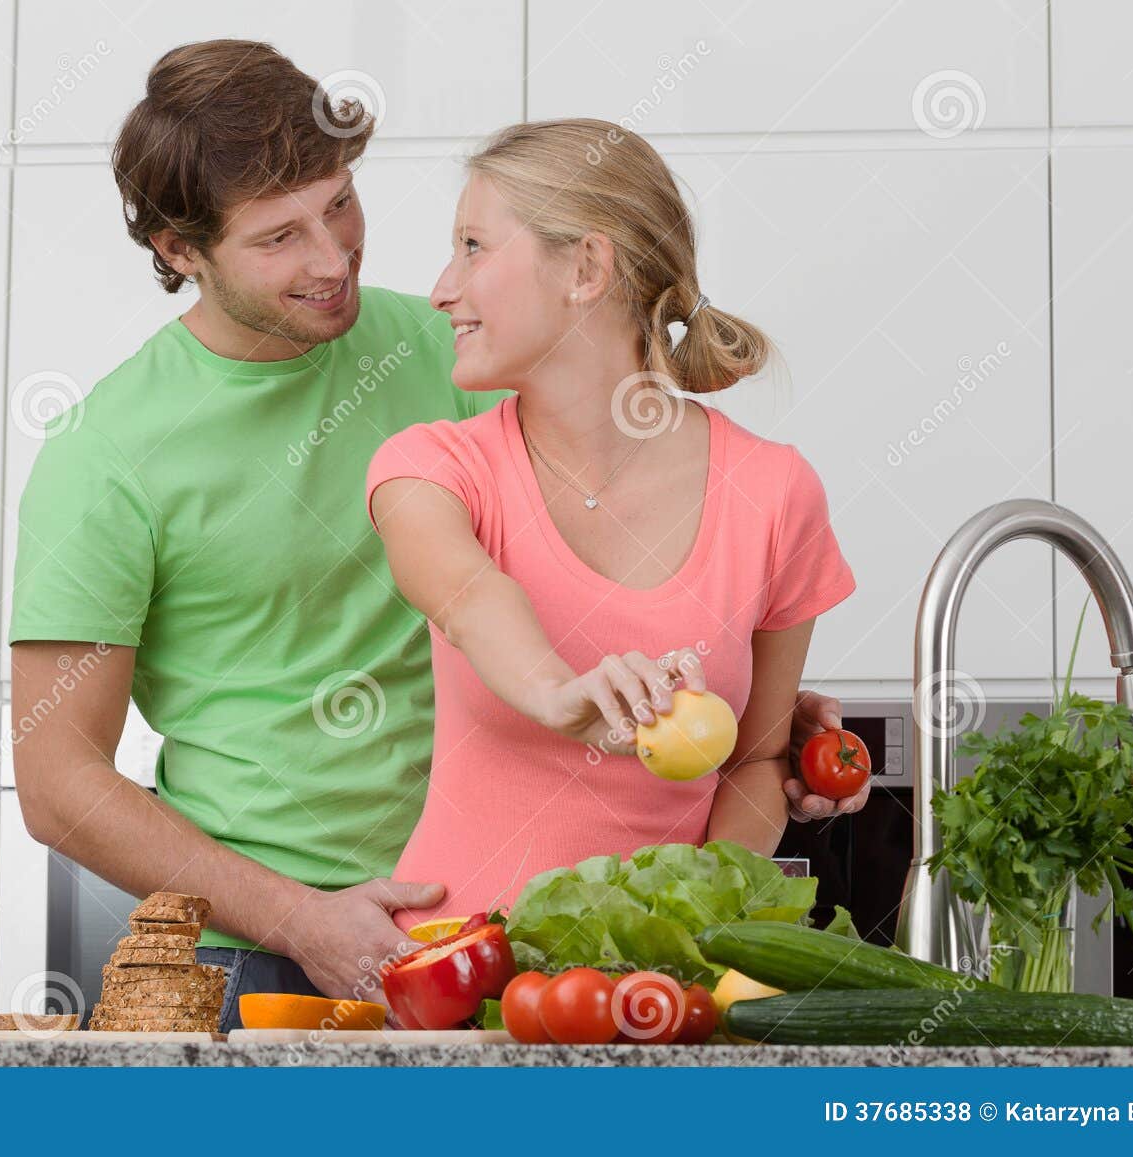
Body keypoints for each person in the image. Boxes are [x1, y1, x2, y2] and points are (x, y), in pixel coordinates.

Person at [8, 41, 866, 1031]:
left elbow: (612, 529)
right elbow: (56, 780)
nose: (331, 262)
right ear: (178, 249)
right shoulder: (107, 453)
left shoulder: (454, 346)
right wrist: (300, 916)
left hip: (506, 932)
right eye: (279, 236)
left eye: (339, 204)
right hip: (266, 949)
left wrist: (742, 699)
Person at [368, 120, 859, 926]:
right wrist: (559, 695)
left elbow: (759, 758)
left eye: (473, 247)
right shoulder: (430, 469)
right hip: (448, 983)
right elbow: (464, 593)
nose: (442, 288)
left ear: (586, 268)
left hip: (659, 997)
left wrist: (694, 931)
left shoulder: (775, 493)